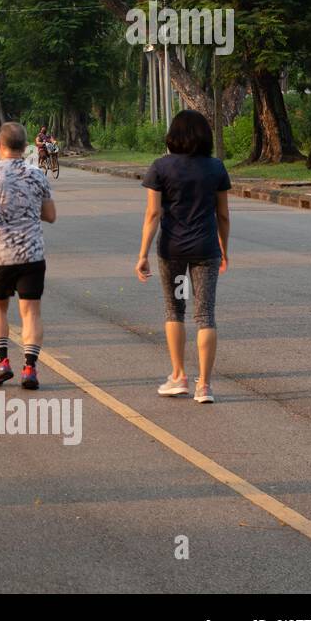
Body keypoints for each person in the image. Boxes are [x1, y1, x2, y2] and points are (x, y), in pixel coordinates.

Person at [135, 109, 231, 404]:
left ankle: (178, 377)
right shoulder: (215, 168)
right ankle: (205, 386)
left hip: (173, 250)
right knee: (205, 316)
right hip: (205, 250)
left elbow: (153, 214)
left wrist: (142, 255)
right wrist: (224, 250)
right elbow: (223, 216)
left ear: (173, 135)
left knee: (174, 311)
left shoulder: (161, 167)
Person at [0, 121, 56, 390]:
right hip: (32, 254)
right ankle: (30, 368)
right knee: (31, 312)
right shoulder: (37, 175)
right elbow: (50, 215)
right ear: (26, 145)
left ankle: (2, 363)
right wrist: (26, 211)